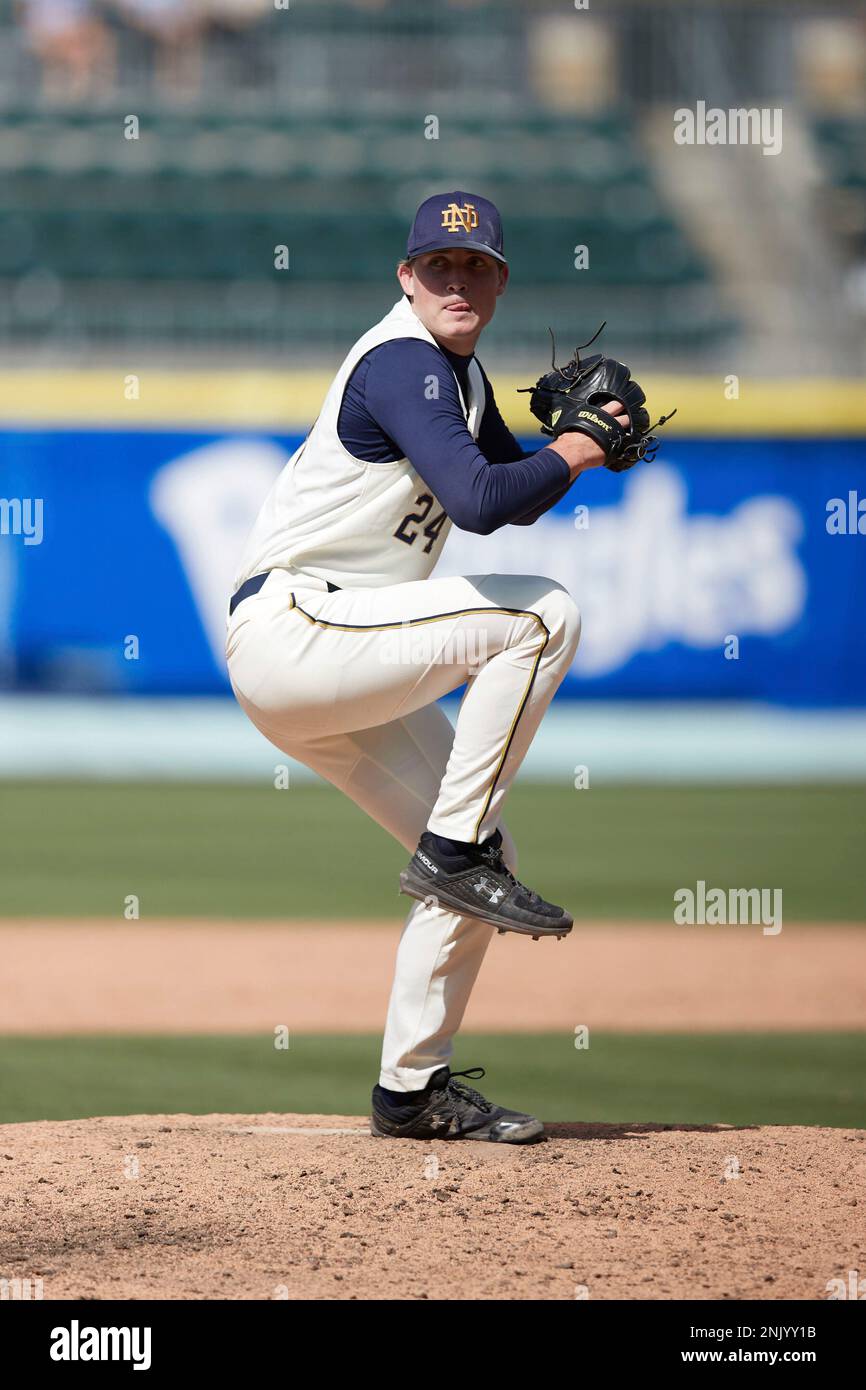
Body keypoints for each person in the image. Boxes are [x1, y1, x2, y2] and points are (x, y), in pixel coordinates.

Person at [225, 191, 627, 1143]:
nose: (457, 280)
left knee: (491, 851)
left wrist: (580, 447)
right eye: (438, 266)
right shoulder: (404, 360)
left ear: (498, 283)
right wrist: (580, 445)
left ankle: (411, 1090)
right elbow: (481, 502)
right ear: (407, 278)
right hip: (300, 629)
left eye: (476, 267)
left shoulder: (461, 375)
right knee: (541, 613)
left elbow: (515, 491)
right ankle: (451, 859)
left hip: (339, 660)